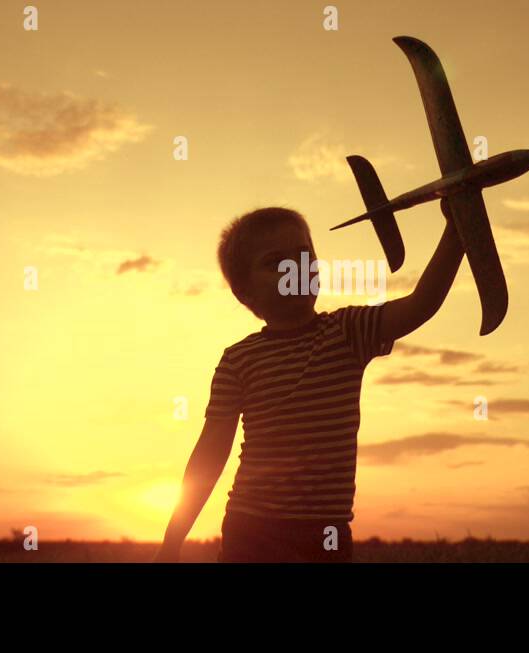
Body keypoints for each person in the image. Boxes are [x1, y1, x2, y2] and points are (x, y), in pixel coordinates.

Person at [154, 199, 463, 562]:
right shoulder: (238, 360)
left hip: (324, 533)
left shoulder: (348, 332)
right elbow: (210, 453)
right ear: (245, 293)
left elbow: (422, 303)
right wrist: (172, 542)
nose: (296, 268)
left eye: (305, 256)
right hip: (251, 530)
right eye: (274, 262)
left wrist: (456, 231)